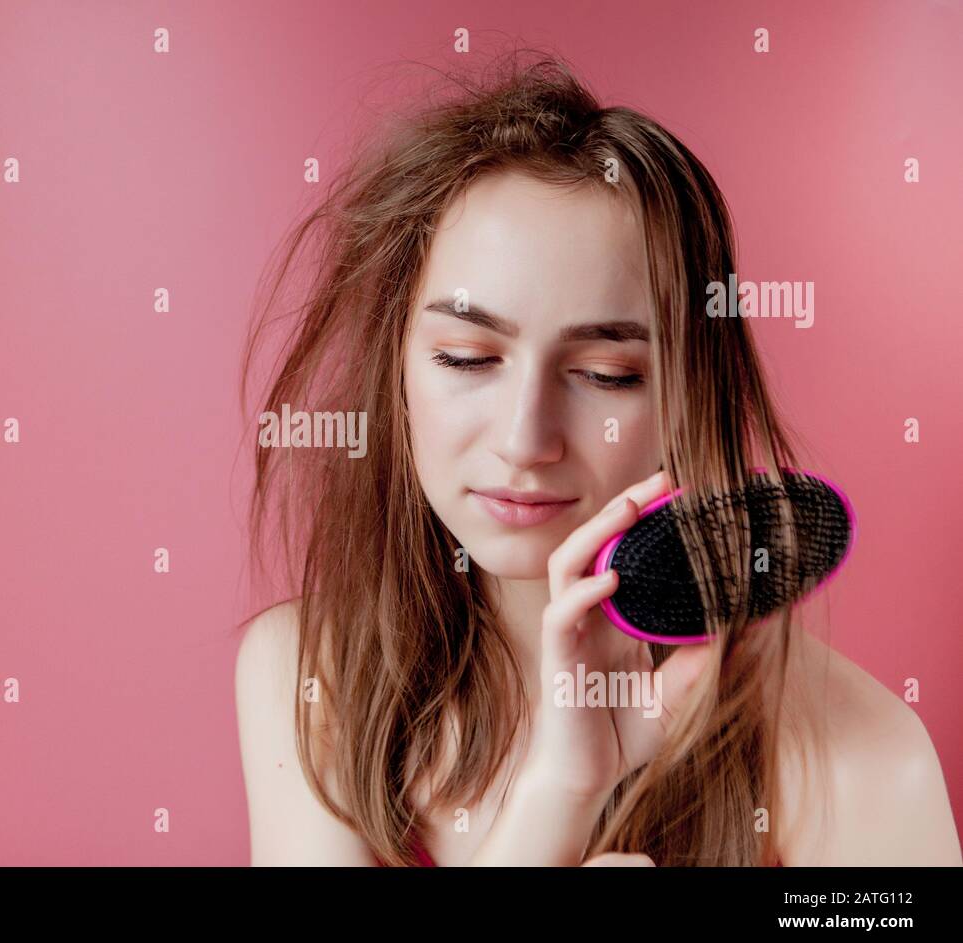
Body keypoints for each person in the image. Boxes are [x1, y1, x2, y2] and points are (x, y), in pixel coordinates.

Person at [234, 51, 960, 866]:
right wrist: (560, 792)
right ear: (396, 367)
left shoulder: (863, 764)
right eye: (467, 358)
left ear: (689, 394)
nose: (523, 438)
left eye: (605, 374)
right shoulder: (311, 675)